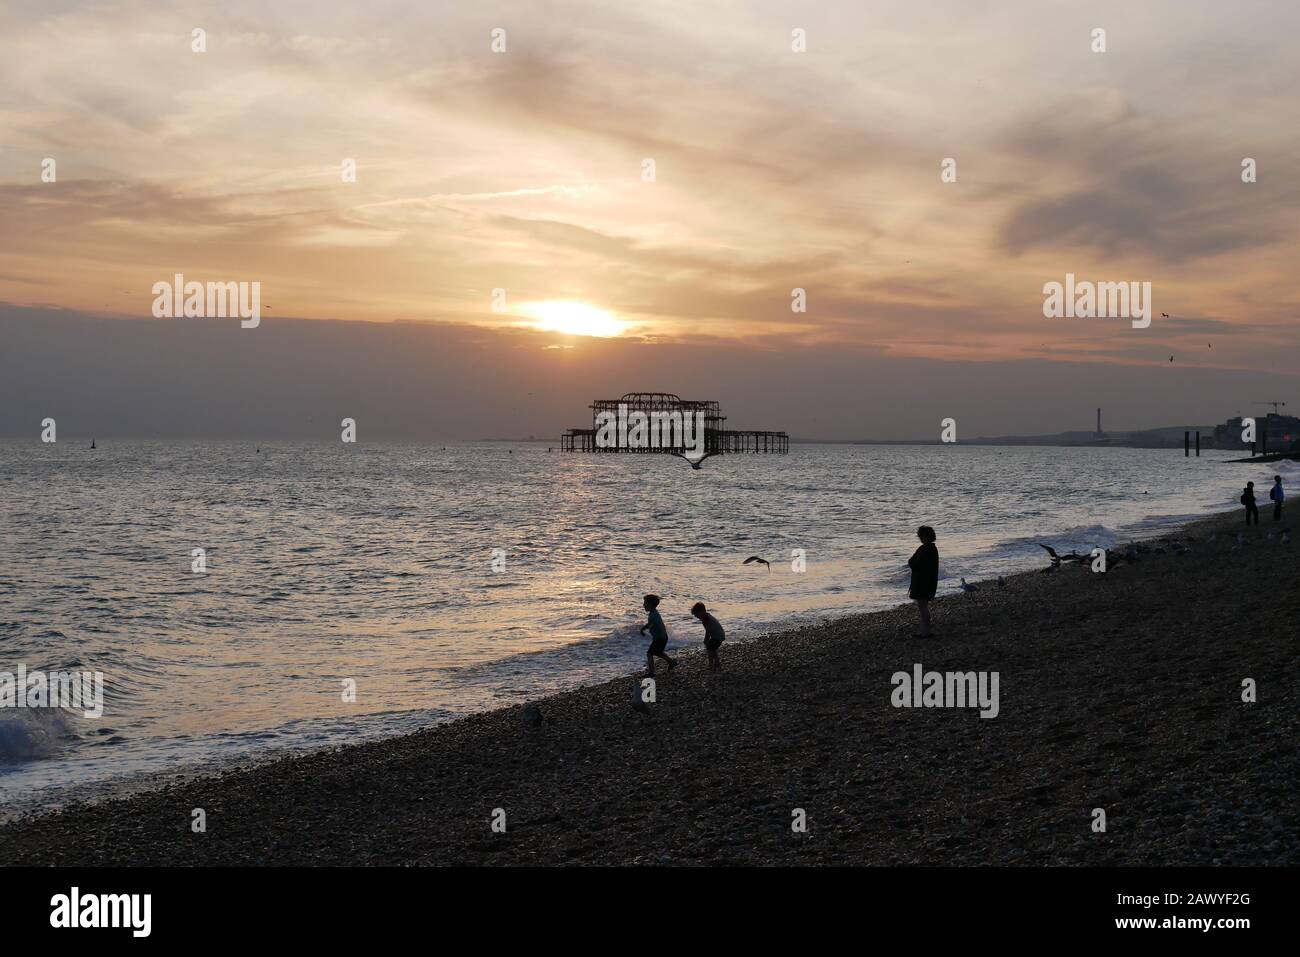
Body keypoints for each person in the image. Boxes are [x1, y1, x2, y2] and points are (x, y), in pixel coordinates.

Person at [907, 526, 939, 637]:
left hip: (922, 583)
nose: (920, 538)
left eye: (921, 536)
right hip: (929, 582)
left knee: (923, 607)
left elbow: (914, 564)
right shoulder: (932, 549)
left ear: (925, 536)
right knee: (923, 607)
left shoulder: (925, 549)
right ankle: (924, 630)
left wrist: (913, 563)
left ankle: (925, 631)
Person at [639, 594, 676, 677]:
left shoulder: (653, 615)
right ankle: (672, 662)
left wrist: (642, 629)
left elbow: (649, 625)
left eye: (645, 603)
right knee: (658, 652)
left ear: (651, 605)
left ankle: (651, 672)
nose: (643, 605)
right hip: (663, 637)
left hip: (659, 638)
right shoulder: (654, 613)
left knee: (649, 654)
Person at [690, 602, 725, 672]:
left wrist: (706, 640)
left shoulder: (705, 619)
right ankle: (717, 663)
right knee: (713, 649)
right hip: (720, 635)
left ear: (702, 612)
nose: (697, 617)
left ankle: (711, 664)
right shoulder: (707, 616)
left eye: (697, 615)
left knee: (709, 649)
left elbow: (708, 630)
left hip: (717, 636)